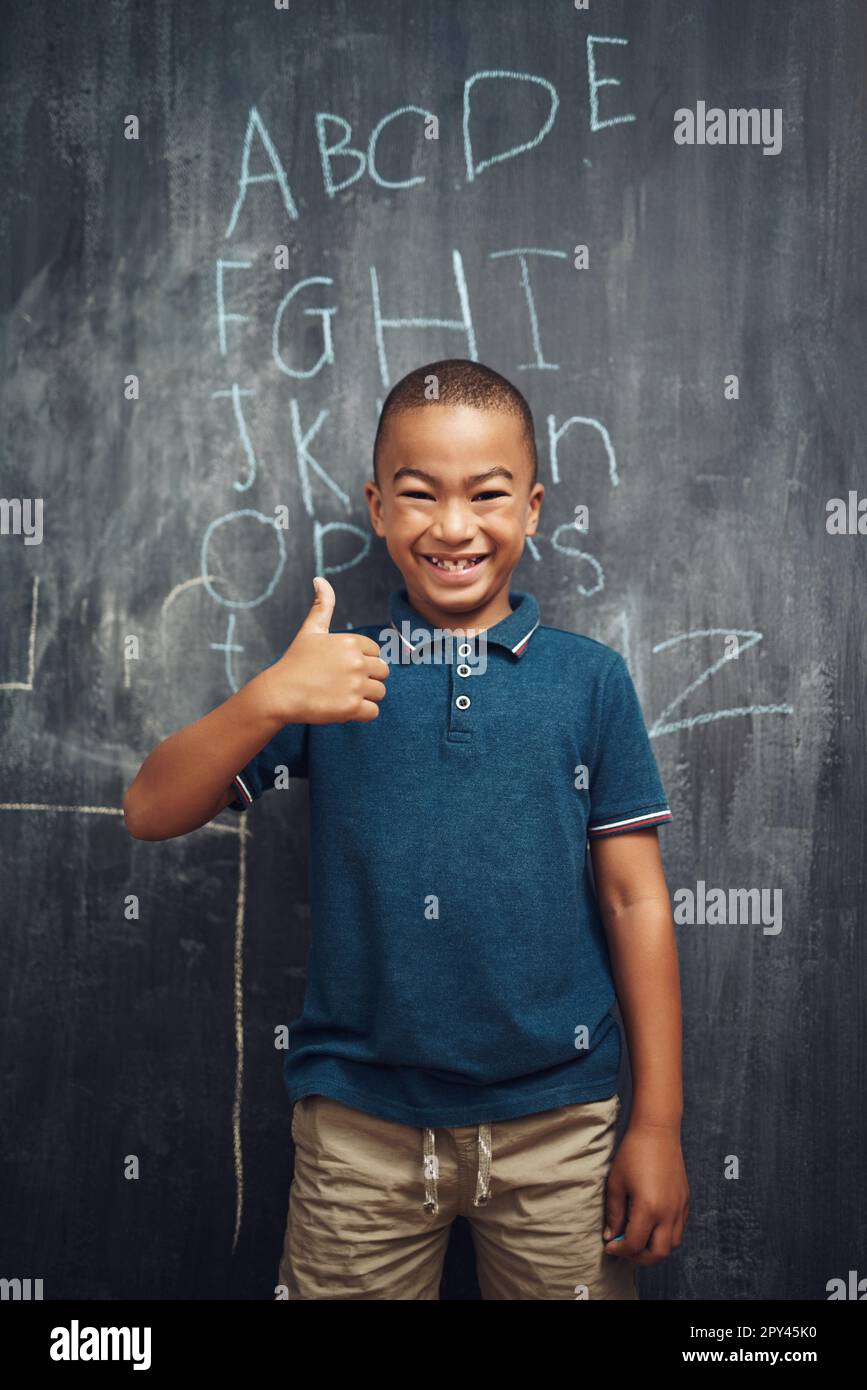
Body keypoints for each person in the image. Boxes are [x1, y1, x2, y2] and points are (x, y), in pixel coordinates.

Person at [123, 358, 689, 1300]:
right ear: (377, 507)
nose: (454, 526)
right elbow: (150, 809)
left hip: (559, 1123)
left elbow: (634, 900)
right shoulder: (332, 676)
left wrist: (657, 1126)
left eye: (489, 495)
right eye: (419, 495)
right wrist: (269, 698)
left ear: (536, 507)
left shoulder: (589, 683)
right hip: (359, 1131)